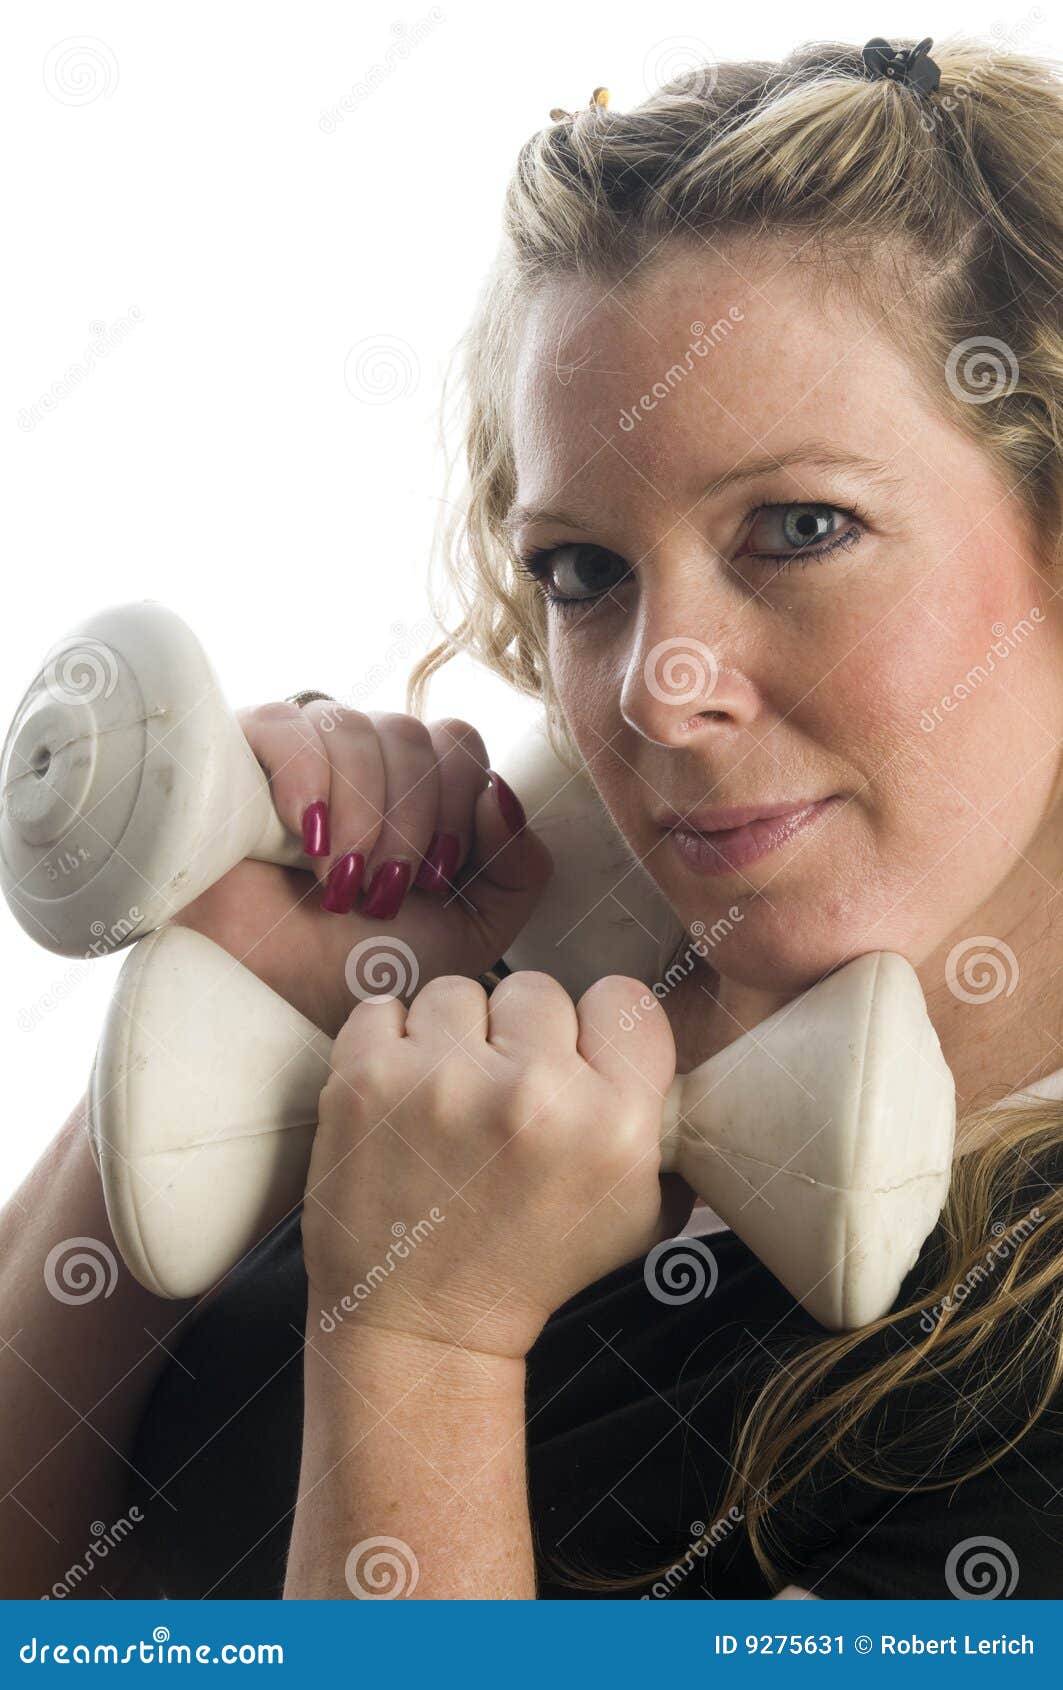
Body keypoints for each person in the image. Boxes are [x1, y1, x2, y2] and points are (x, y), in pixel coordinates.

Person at [4, 32, 1063, 1601]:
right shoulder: (464, 1015)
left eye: (799, 527)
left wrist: (426, 1339)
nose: (655, 687)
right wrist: (211, 1017)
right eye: (583, 570)